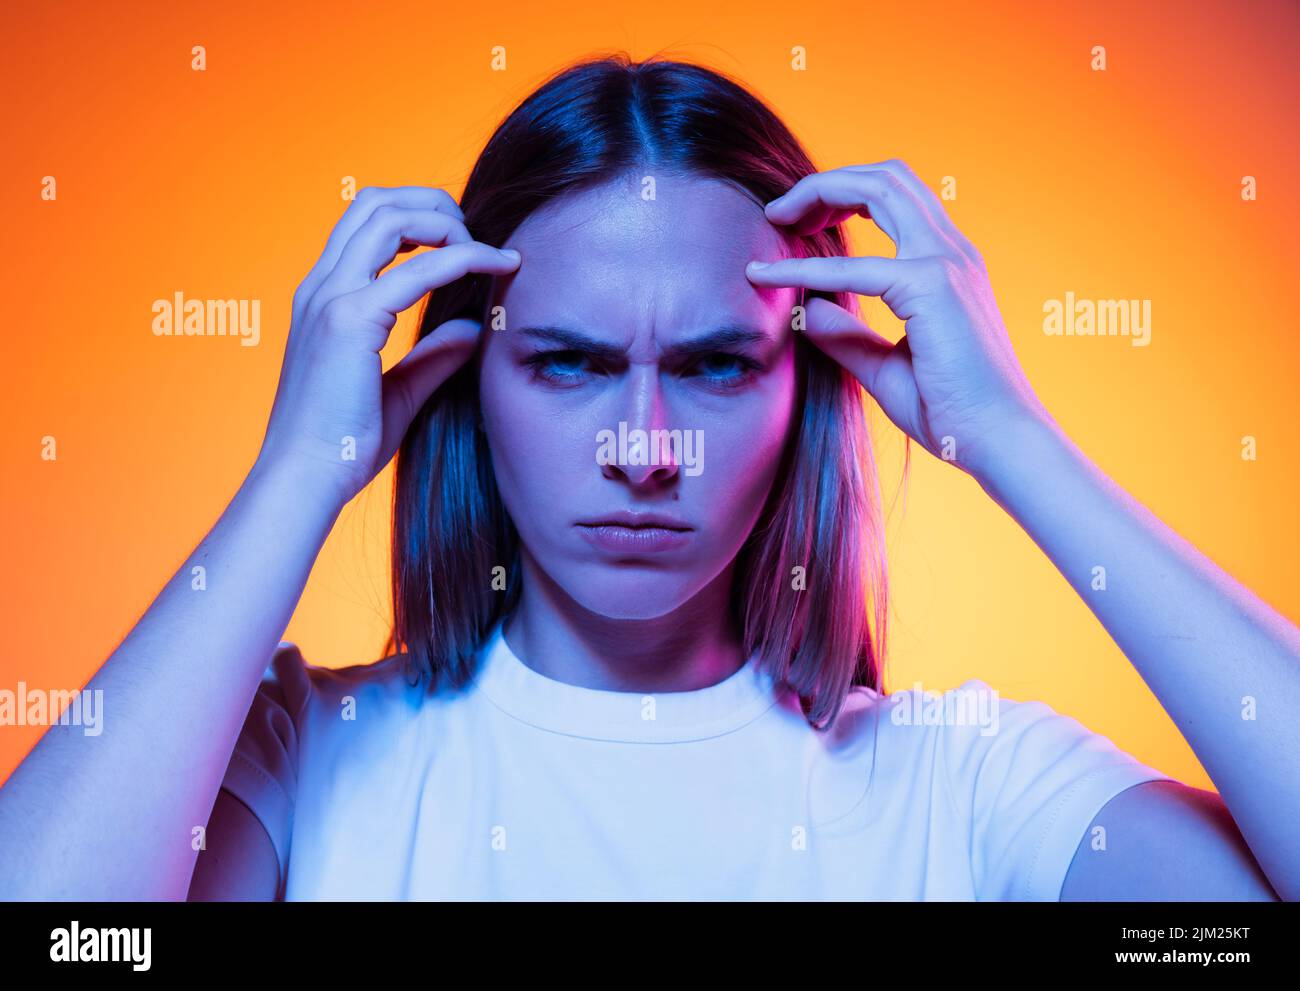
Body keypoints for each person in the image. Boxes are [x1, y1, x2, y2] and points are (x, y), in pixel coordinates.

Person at [1, 55, 1294, 902]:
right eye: (566, 363)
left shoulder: (969, 787)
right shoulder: (299, 766)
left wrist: (1013, 440)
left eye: (719, 365)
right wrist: (295, 475)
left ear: (805, 386)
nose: (642, 445)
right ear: (469, 380)